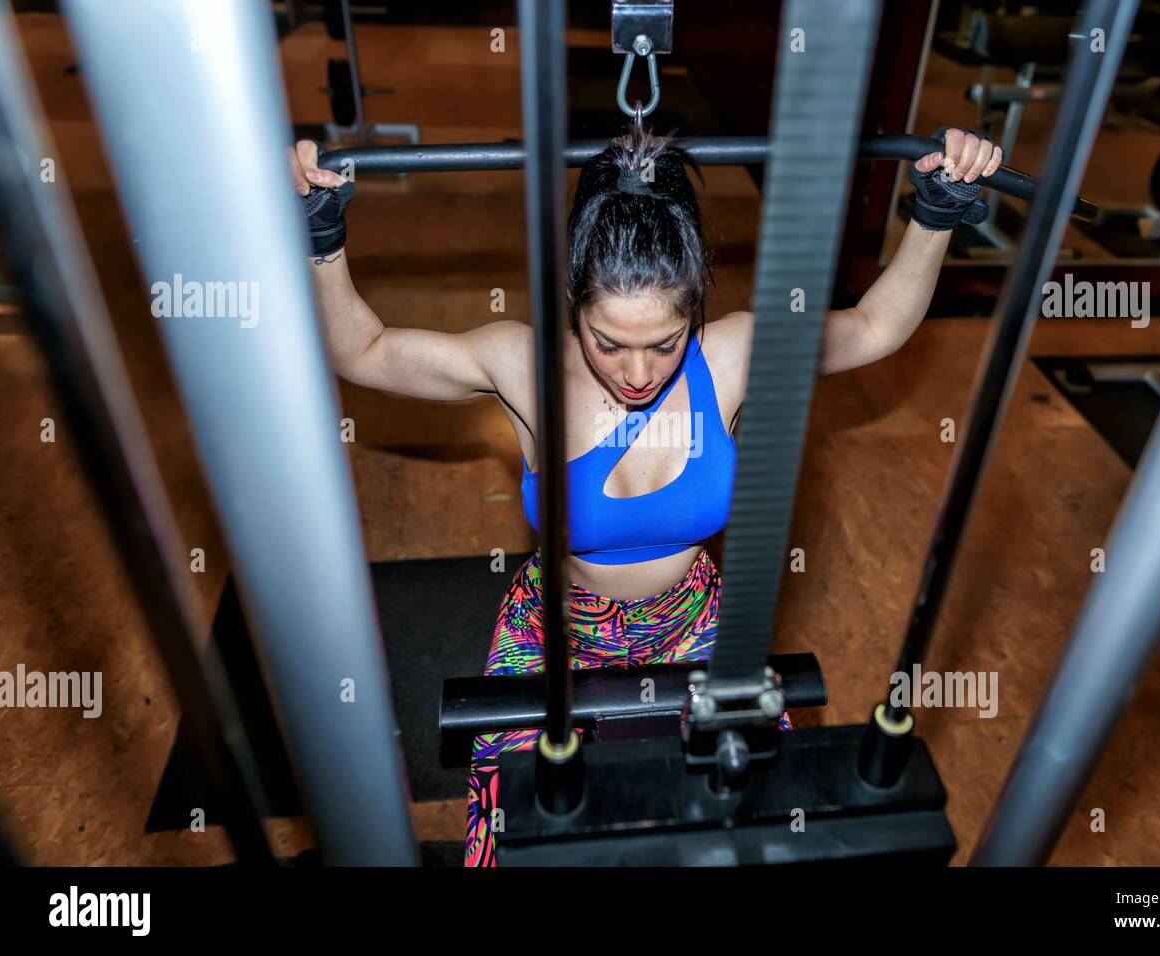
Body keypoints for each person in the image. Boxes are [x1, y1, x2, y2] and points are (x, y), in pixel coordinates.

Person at [290, 123, 1002, 866]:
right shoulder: (520, 365)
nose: (637, 372)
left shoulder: (729, 359)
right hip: (557, 636)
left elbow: (875, 325)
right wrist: (320, 232)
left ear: (694, 307)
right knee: (519, 844)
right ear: (573, 301)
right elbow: (363, 351)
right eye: (608, 342)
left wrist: (936, 212)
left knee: (763, 834)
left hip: (693, 626)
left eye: (663, 344)